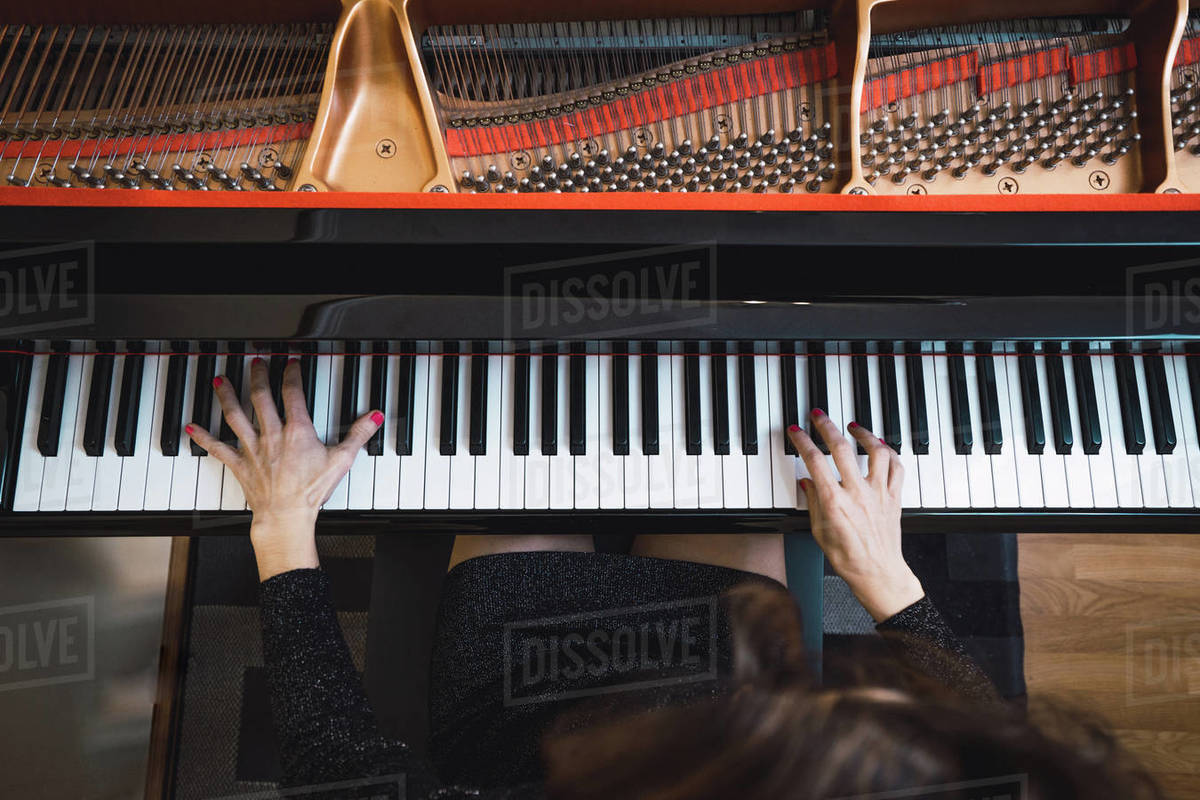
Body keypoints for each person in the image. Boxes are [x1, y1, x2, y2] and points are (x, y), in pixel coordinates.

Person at [186, 357, 1164, 800]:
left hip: (518, 705)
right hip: (732, 669)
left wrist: (282, 524)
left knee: (525, 466)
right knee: (731, 473)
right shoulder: (818, 749)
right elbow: (987, 769)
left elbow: (331, 755)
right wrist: (884, 573)